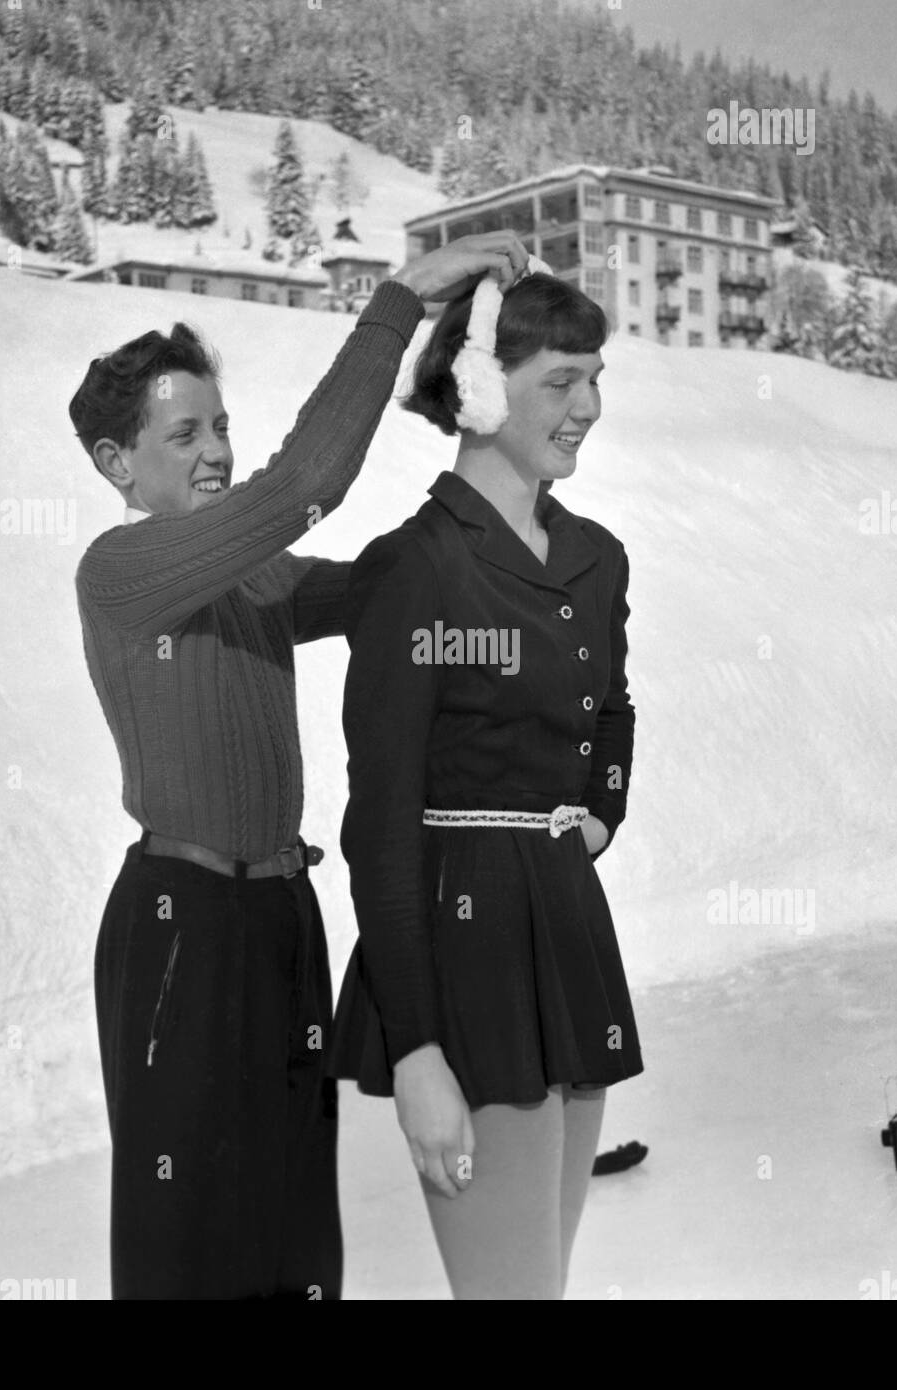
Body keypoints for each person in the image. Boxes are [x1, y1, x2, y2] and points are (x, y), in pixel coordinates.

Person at [69, 230, 531, 1299]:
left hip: (283, 920)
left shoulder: (256, 576)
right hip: (181, 926)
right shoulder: (121, 572)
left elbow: (382, 586)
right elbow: (306, 483)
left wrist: (488, 482)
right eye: (183, 433)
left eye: (221, 426)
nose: (215, 451)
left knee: (293, 1234)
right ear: (116, 464)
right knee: (188, 1244)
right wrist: (399, 301)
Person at [327, 270, 643, 1299]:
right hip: (463, 958)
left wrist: (598, 816)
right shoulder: (417, 568)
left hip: (565, 933)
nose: (587, 406)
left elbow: (611, 708)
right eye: (560, 381)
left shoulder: (594, 557)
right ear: (481, 389)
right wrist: (415, 1048)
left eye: (594, 377)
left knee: (538, 1282)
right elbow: (380, 827)